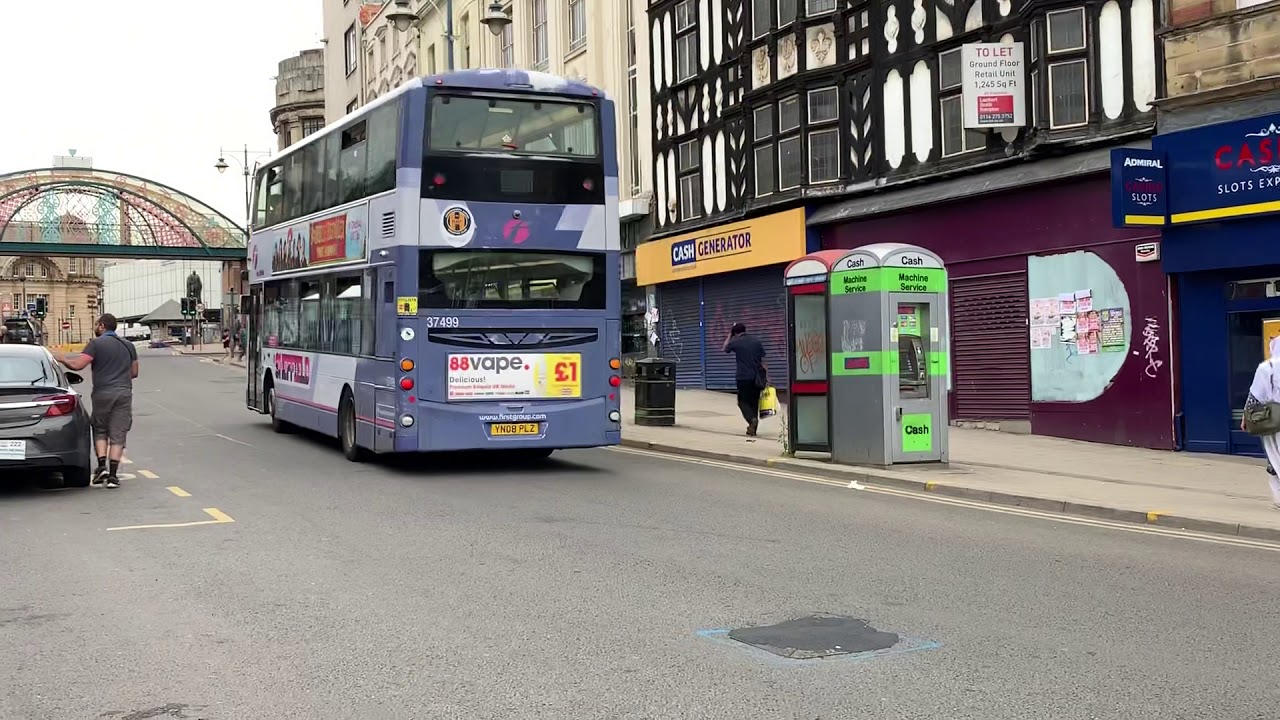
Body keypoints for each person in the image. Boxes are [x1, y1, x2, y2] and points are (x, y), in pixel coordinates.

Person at [56, 313, 139, 489]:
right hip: (124, 392)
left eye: (96, 325)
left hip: (103, 392)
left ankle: (101, 467)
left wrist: (62, 359)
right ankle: (114, 476)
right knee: (119, 433)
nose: (95, 328)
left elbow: (78, 365)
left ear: (102, 326)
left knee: (100, 428)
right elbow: (134, 373)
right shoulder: (129, 345)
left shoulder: (96, 344)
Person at [1242, 335, 1280, 510]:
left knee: (1274, 458)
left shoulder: (1267, 368)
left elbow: (1254, 398)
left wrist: (1245, 418)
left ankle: (1278, 497)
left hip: (1271, 420)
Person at [723, 322, 768, 437]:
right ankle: (753, 429)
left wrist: (730, 335)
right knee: (754, 402)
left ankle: (752, 420)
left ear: (735, 332)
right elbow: (763, 361)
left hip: (743, 377)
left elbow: (725, 348)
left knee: (742, 402)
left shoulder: (736, 342)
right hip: (757, 377)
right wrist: (766, 377)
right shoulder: (756, 342)